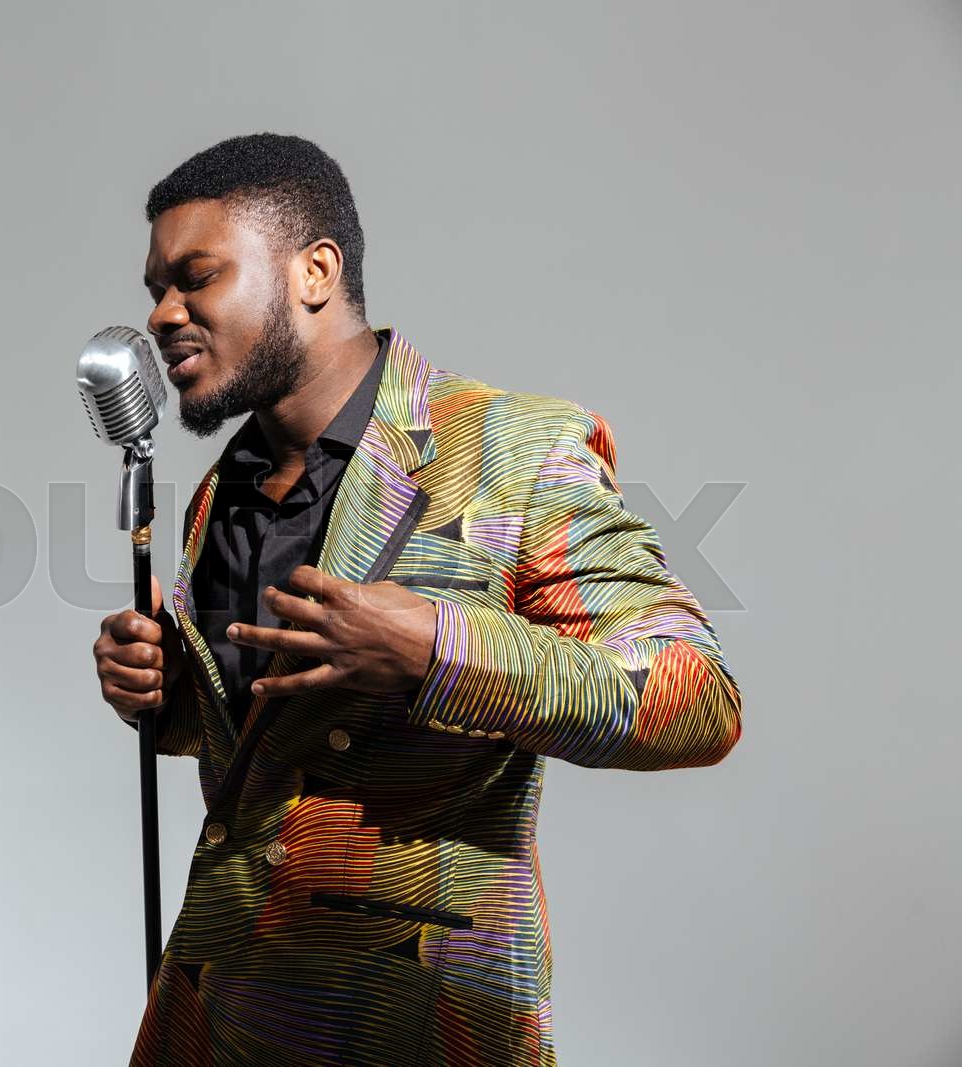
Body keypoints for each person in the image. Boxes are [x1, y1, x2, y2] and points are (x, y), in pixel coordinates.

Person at [90, 132, 743, 1067]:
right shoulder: (217, 494)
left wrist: (440, 648)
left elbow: (695, 700)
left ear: (315, 271)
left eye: (195, 277)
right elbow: (270, 754)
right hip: (219, 1016)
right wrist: (172, 692)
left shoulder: (517, 449)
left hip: (420, 1025)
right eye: (155, 286)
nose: (161, 314)